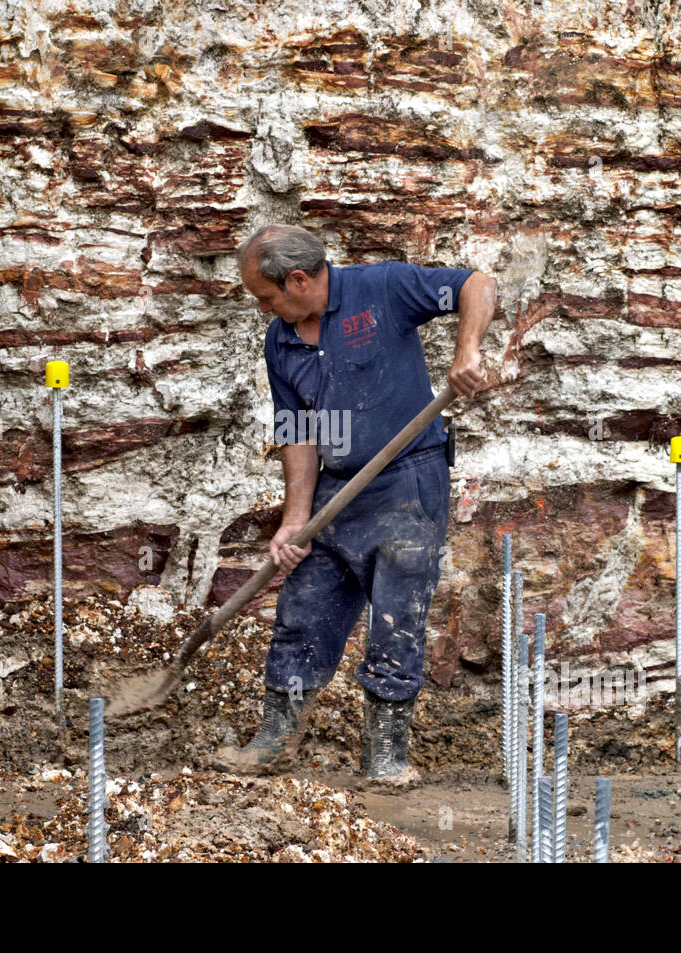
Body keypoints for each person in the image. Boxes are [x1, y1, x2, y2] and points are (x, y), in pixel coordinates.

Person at [213, 224, 498, 784]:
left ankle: (385, 754)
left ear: (297, 280)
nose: (263, 308)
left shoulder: (384, 288)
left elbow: (476, 284)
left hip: (407, 483)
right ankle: (277, 735)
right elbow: (296, 430)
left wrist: (467, 352)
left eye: (266, 297)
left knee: (397, 617)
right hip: (335, 490)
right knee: (303, 606)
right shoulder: (282, 339)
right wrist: (295, 520)